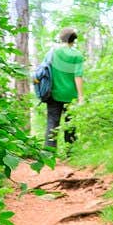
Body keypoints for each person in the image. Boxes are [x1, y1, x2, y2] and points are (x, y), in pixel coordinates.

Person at [38, 28, 84, 162]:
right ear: (74, 40)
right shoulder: (77, 55)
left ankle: (49, 156)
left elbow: (44, 71)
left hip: (53, 94)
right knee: (71, 124)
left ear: (61, 38)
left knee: (52, 123)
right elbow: (78, 76)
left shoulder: (51, 53)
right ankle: (71, 155)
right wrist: (81, 96)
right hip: (71, 96)